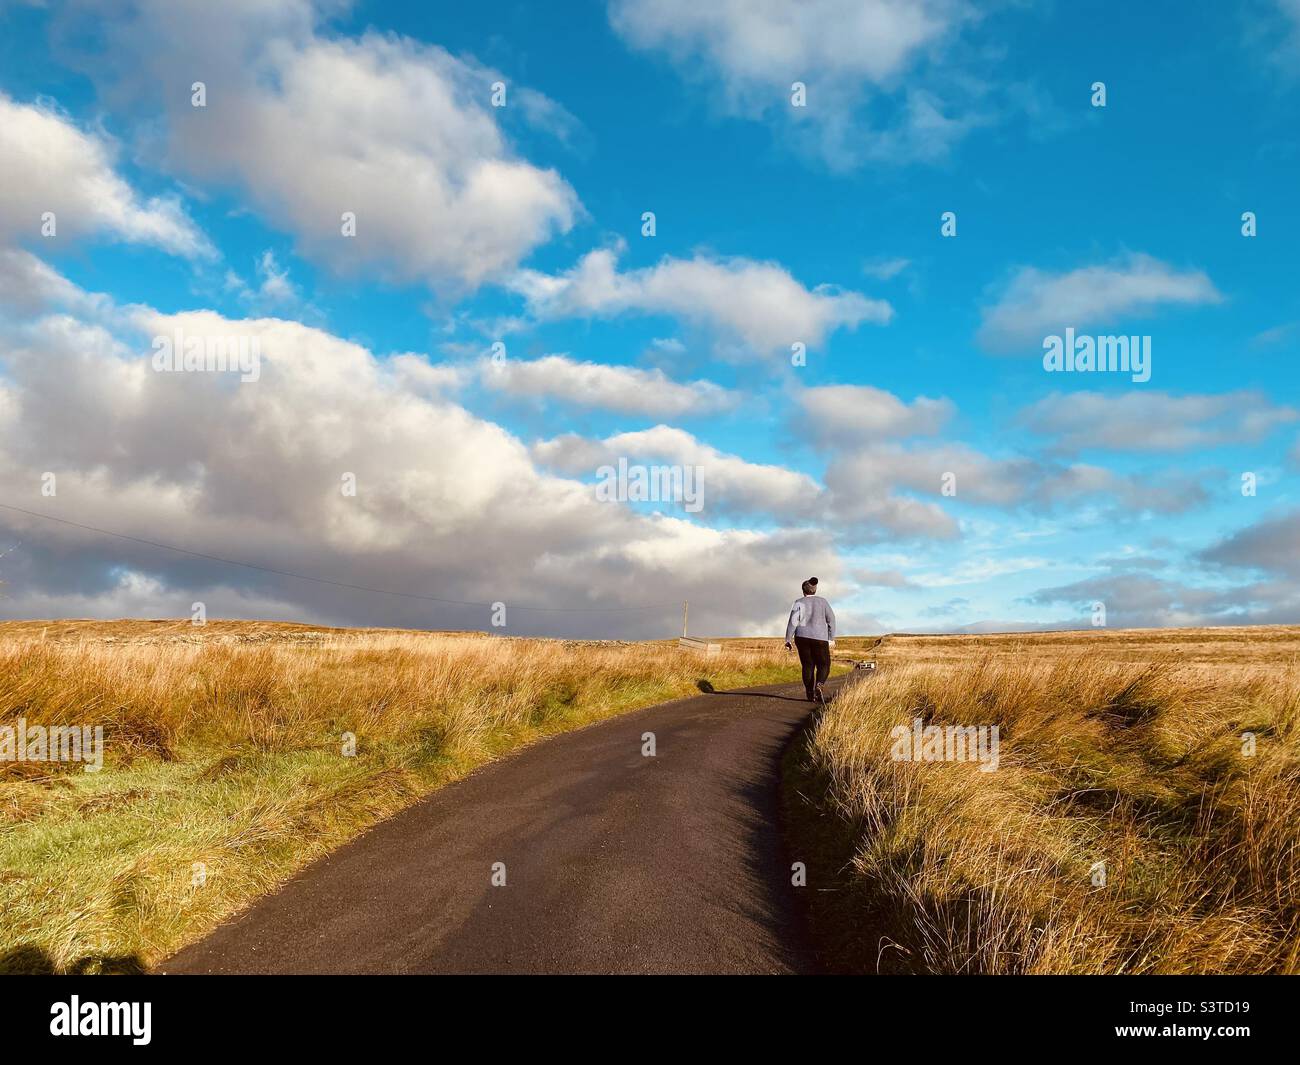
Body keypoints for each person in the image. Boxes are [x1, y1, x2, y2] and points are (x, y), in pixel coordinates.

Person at [784, 577, 835, 703]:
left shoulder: (799, 602)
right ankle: (819, 684)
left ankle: (810, 693)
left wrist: (788, 639)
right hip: (820, 638)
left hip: (802, 638)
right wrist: (831, 638)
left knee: (808, 666)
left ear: (803, 591)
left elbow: (793, 622)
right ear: (815, 590)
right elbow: (831, 620)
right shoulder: (823, 602)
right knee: (824, 665)